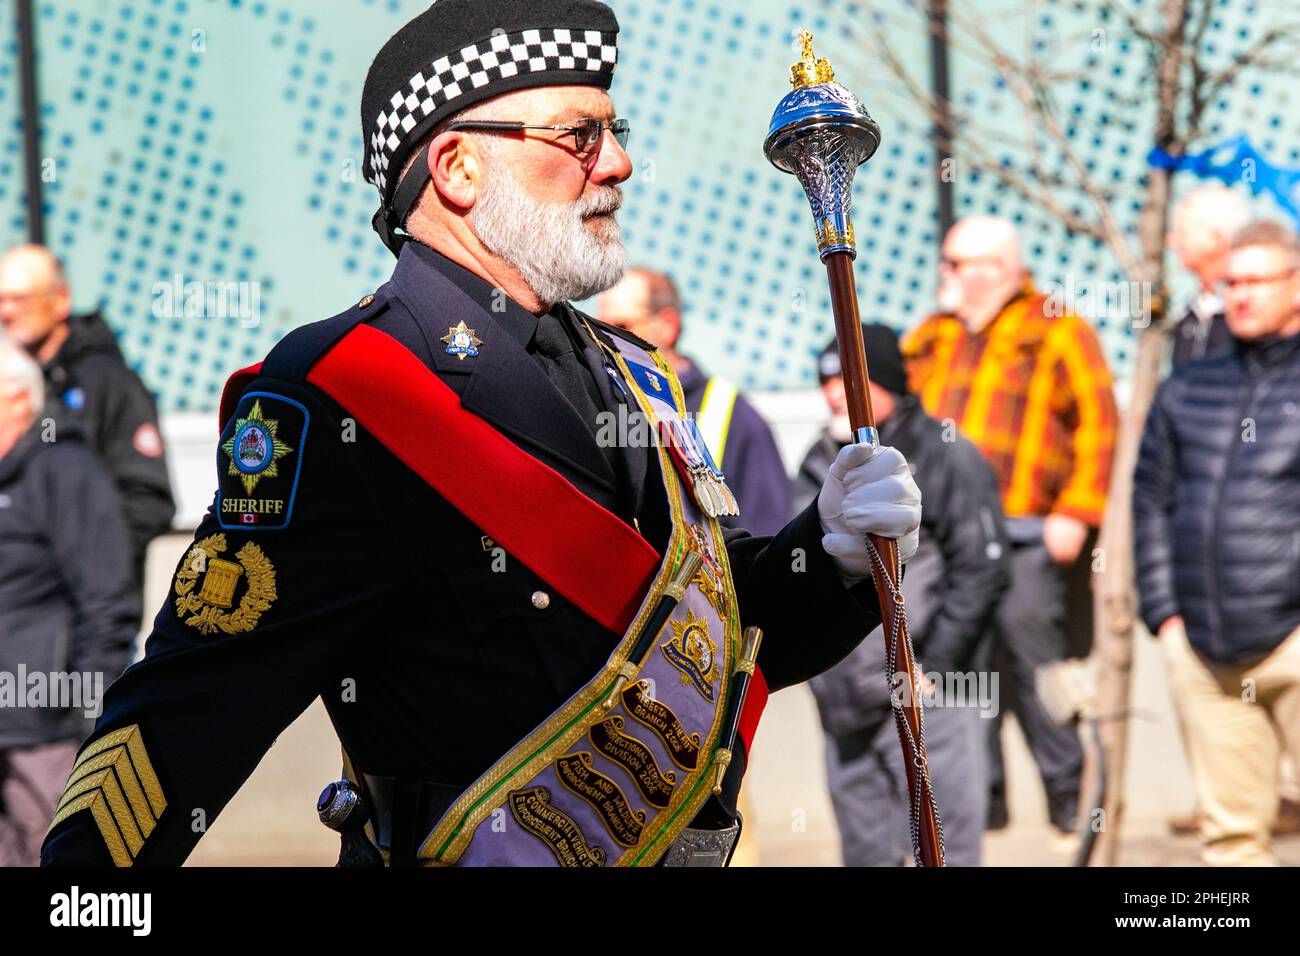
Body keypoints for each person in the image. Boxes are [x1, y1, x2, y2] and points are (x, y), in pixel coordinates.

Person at [42, 0, 922, 868]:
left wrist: (831, 552)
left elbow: (725, 635)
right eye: (580, 136)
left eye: (614, 132)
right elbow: (190, 708)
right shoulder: (339, 392)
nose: (616, 164)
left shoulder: (632, 372)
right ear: (458, 168)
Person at [902, 216, 1119, 847]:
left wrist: (1076, 513)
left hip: (1029, 534)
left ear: (997, 268)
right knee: (963, 666)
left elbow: (1100, 424)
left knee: (1034, 664)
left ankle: (1070, 805)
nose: (944, 275)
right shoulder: (932, 337)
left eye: (956, 264)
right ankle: (982, 809)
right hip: (953, 541)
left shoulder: (1060, 328)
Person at [794, 325, 1009, 866]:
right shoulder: (817, 460)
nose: (834, 392)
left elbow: (981, 566)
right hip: (846, 706)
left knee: (946, 853)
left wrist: (932, 664)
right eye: (825, 379)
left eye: (849, 378)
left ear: (885, 381)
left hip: (925, 696)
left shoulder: (943, 453)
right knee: (868, 856)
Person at [1134, 220, 1300, 867]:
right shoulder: (1188, 385)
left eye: (1258, 281)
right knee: (1232, 843)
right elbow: (1150, 501)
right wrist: (1166, 616)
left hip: (1291, 641)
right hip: (1202, 650)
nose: (1241, 295)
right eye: (1233, 281)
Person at [0, 337, 138, 865]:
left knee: (64, 865)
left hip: (49, 730)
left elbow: (107, 605)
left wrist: (88, 715)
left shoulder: (67, 470)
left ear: (18, 399)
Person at [0, 245, 175, 587]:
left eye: (20, 300)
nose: (7, 312)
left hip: (89, 604)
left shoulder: (107, 382)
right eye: (1, 300)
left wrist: (93, 561)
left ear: (60, 300)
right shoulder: (11, 383)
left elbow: (148, 499)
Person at [598, 268, 791, 536]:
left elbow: (769, 543)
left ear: (667, 325)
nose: (605, 343)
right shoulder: (604, 404)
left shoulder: (735, 417)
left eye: (622, 327)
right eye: (598, 330)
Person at [1166, 186, 1252, 371]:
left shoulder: (1249, 310)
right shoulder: (1190, 313)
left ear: (1215, 237)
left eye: (1182, 233)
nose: (1172, 242)